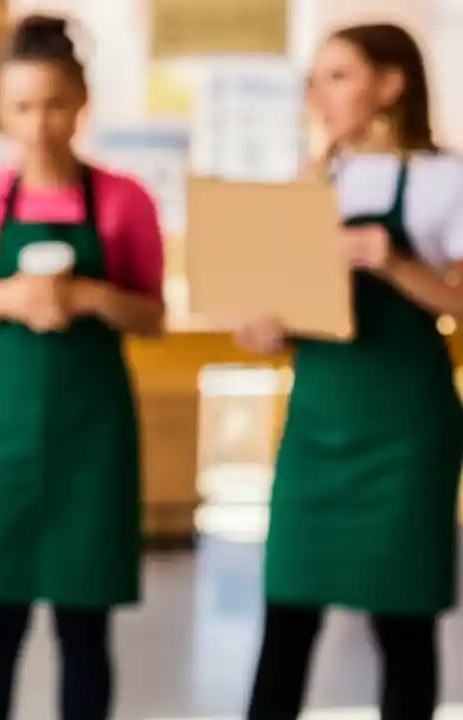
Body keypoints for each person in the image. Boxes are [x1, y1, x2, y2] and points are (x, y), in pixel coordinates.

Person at [238, 23, 463, 720]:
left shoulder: (442, 179)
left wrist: (390, 260)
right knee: (287, 613)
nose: (319, 94)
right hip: (316, 425)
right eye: (315, 78)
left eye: (338, 76)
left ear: (391, 84)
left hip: (407, 432)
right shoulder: (309, 184)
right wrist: (266, 327)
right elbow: (268, 312)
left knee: (402, 619)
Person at [0, 15, 165, 720]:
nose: (38, 124)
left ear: (80, 104)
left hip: (91, 435)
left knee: (85, 627)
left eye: (53, 104)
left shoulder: (124, 200)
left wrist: (93, 297)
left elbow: (152, 316)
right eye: (21, 106)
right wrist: (7, 297)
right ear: (2, 109)